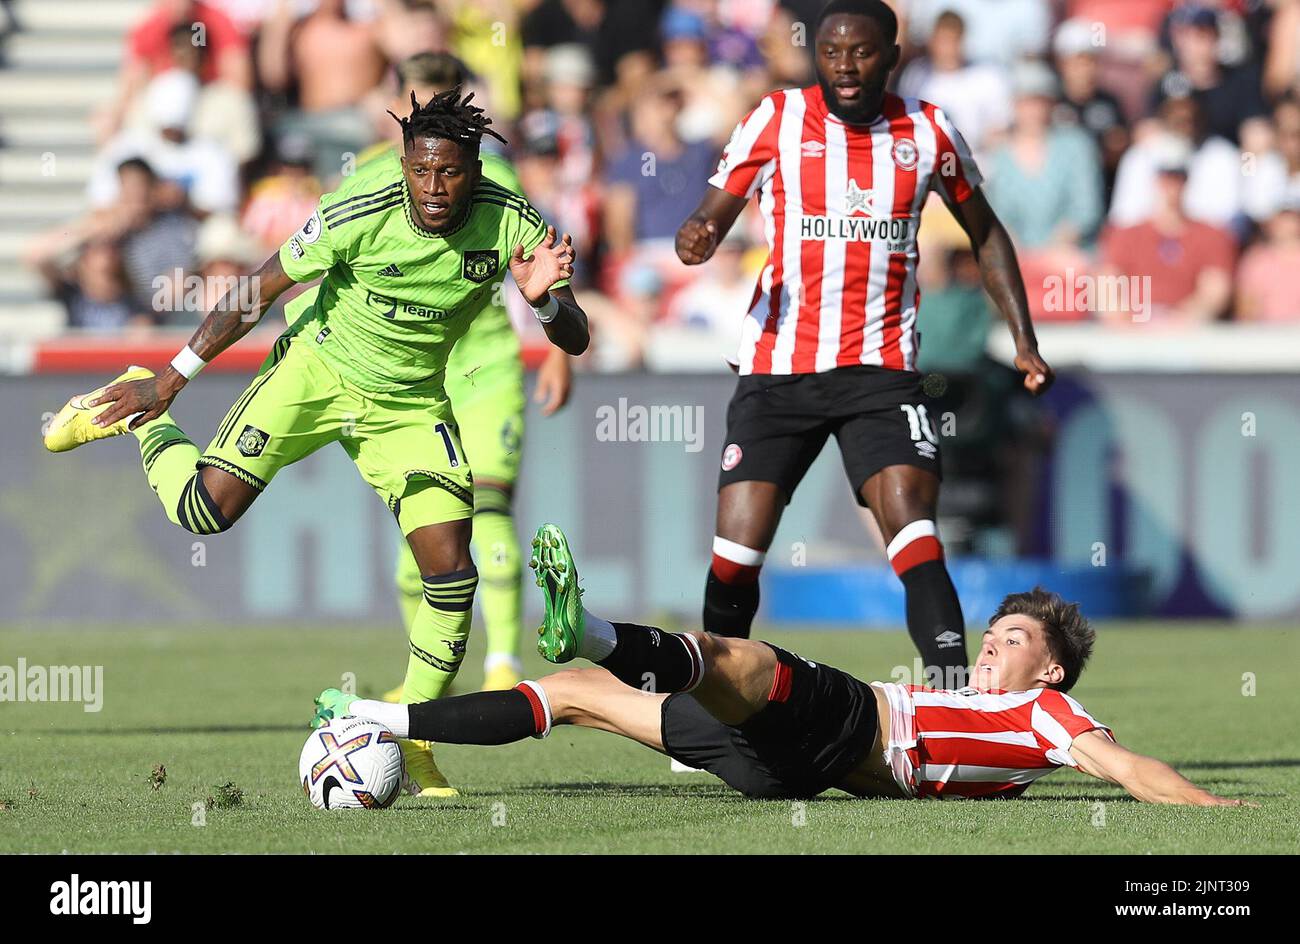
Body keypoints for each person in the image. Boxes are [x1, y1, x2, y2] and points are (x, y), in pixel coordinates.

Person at [42, 89, 589, 798]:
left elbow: (575, 333)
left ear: (475, 170)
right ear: (403, 163)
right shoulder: (359, 210)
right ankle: (142, 413)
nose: (431, 188)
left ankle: (414, 739)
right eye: (419, 171)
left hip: (409, 405)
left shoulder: (513, 223)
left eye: (448, 173)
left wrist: (544, 300)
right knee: (203, 512)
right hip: (317, 370)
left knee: (453, 573)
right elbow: (257, 289)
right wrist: (172, 382)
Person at [311, 523, 1251, 806]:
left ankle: (595, 628)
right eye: (995, 633)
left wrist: (1217, 811)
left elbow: (1129, 769)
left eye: (1016, 643)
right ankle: (380, 723)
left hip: (858, 727)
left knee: (731, 652)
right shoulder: (977, 703)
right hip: (789, 763)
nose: (996, 646)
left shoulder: (1048, 720)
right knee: (572, 698)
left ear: (1050, 675)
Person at [674, 0, 1053, 687]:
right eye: (831, 53)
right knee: (736, 553)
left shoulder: (928, 130)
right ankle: (715, 711)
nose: (845, 67)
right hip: (778, 369)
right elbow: (708, 215)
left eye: (861, 52)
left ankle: (951, 698)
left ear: (893, 56)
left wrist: (1024, 340)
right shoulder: (776, 119)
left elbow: (986, 231)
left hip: (882, 373)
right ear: (815, 55)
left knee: (915, 536)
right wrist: (697, 236)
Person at [360, 53, 576, 695]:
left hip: (484, 365)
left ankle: (504, 662)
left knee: (490, 512)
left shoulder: (489, 176)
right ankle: (433, 676)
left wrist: (560, 351)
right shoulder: (371, 179)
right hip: (407, 376)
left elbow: (541, 261)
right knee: (419, 533)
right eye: (418, 103)